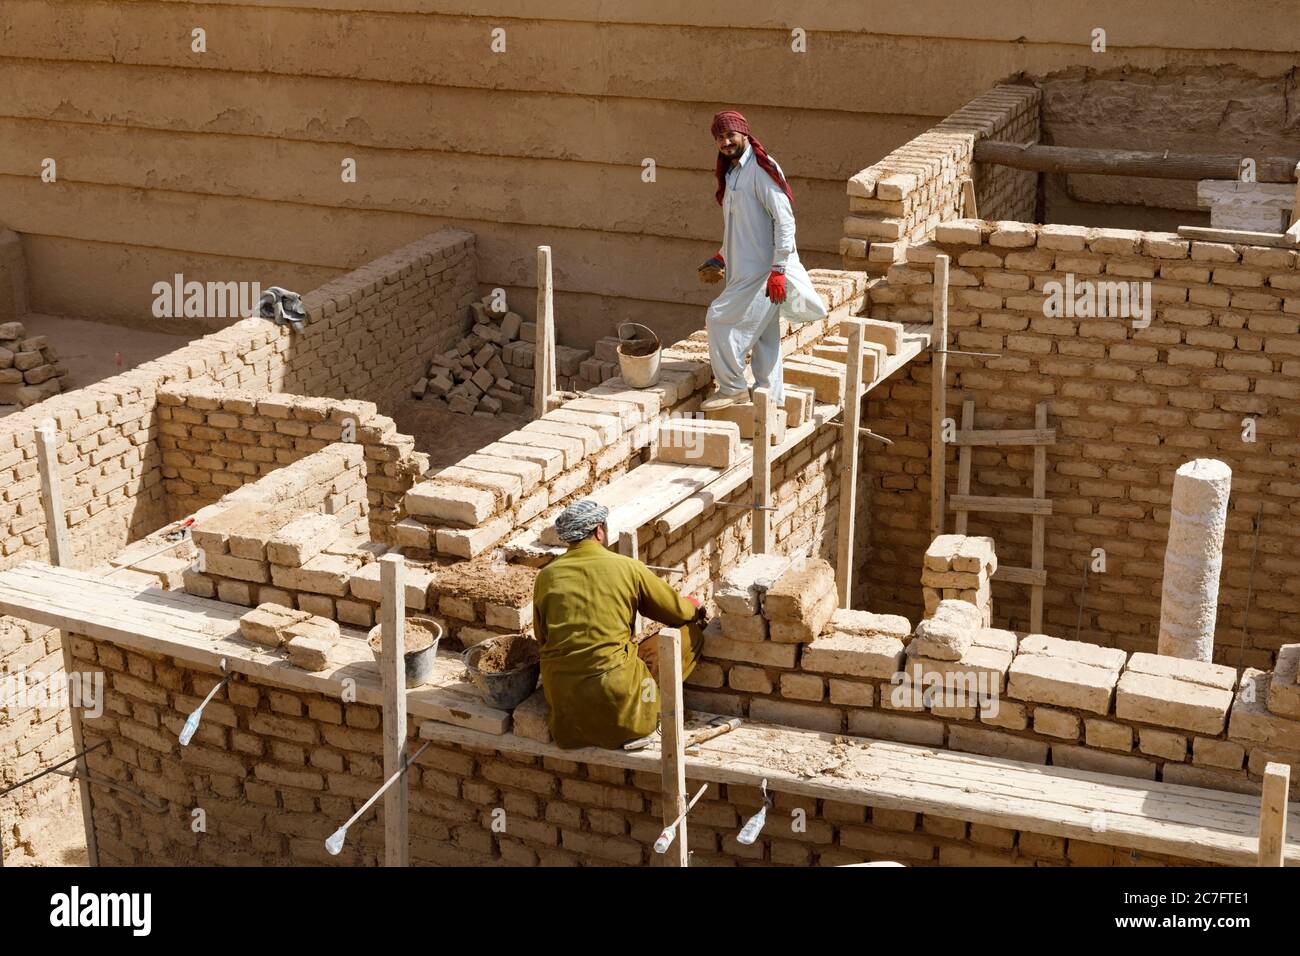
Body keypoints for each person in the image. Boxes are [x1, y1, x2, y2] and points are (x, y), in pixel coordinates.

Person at [531, 500, 706, 749]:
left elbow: (542, 637)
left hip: (567, 711)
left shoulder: (546, 577)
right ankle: (651, 702)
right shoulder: (627, 567)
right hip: (624, 714)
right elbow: (677, 613)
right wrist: (692, 606)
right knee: (690, 635)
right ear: (599, 531)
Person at [698, 109, 827, 411]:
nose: (726, 141)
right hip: (745, 268)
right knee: (765, 337)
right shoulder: (732, 173)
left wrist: (778, 270)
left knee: (718, 319)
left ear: (744, 134)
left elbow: (785, 221)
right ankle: (770, 398)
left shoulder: (760, 169)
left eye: (730, 135)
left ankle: (732, 387)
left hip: (763, 273)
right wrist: (722, 257)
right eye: (720, 137)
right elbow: (741, 227)